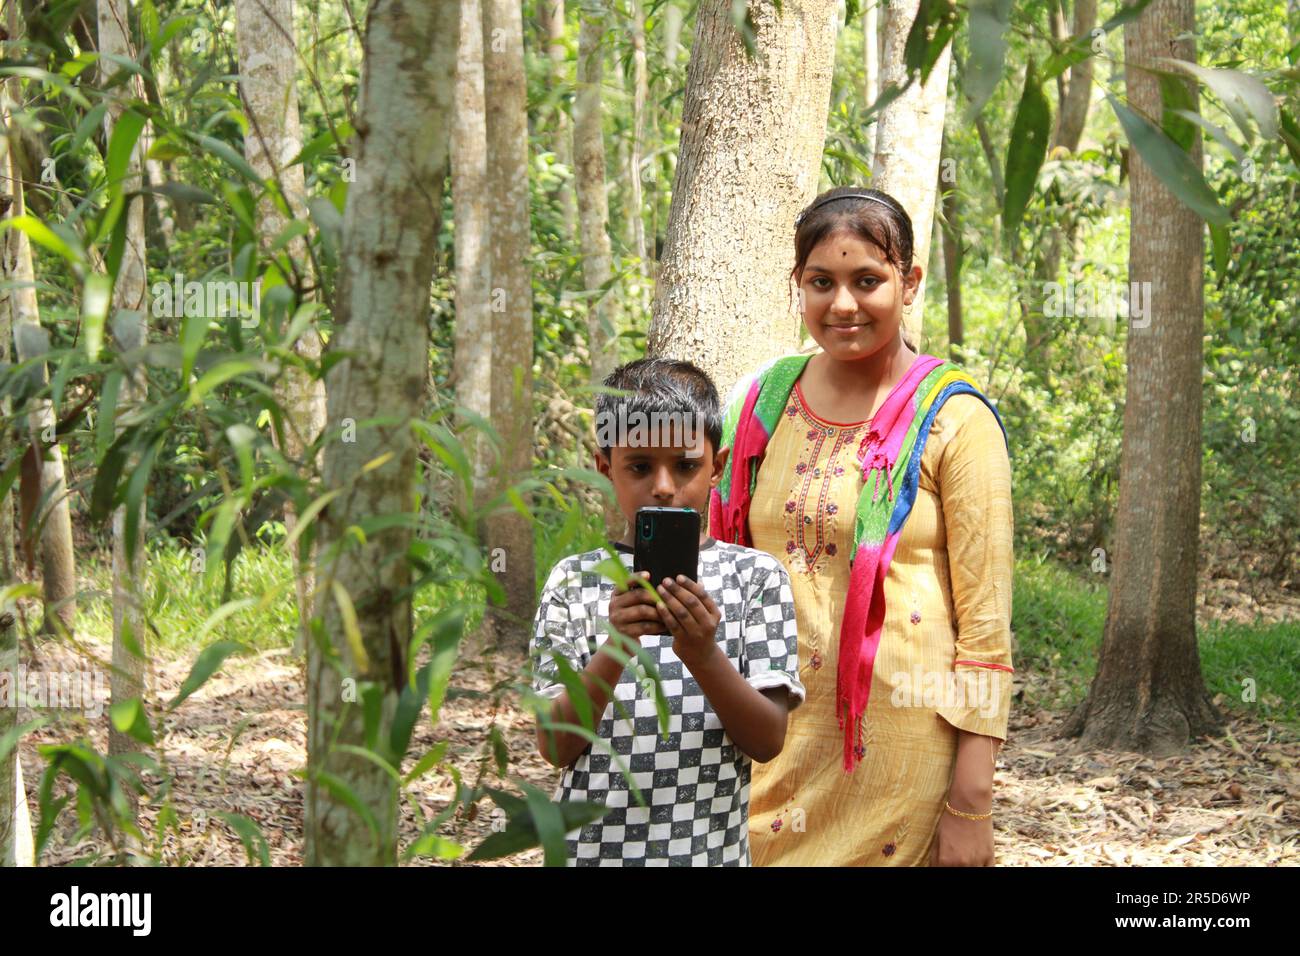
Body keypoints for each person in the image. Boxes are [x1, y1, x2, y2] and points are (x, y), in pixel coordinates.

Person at [710, 186, 1014, 866]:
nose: (842, 304)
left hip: (899, 776)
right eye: (822, 282)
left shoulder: (954, 419)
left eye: (867, 281)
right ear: (799, 285)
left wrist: (971, 805)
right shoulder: (763, 402)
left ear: (909, 283)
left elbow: (987, 634)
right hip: (764, 755)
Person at [531, 358, 806, 866]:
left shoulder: (756, 579)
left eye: (685, 466)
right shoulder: (574, 582)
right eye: (639, 466)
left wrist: (703, 653)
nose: (662, 486)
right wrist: (614, 649)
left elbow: (767, 740)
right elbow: (555, 745)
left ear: (717, 467)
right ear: (604, 466)